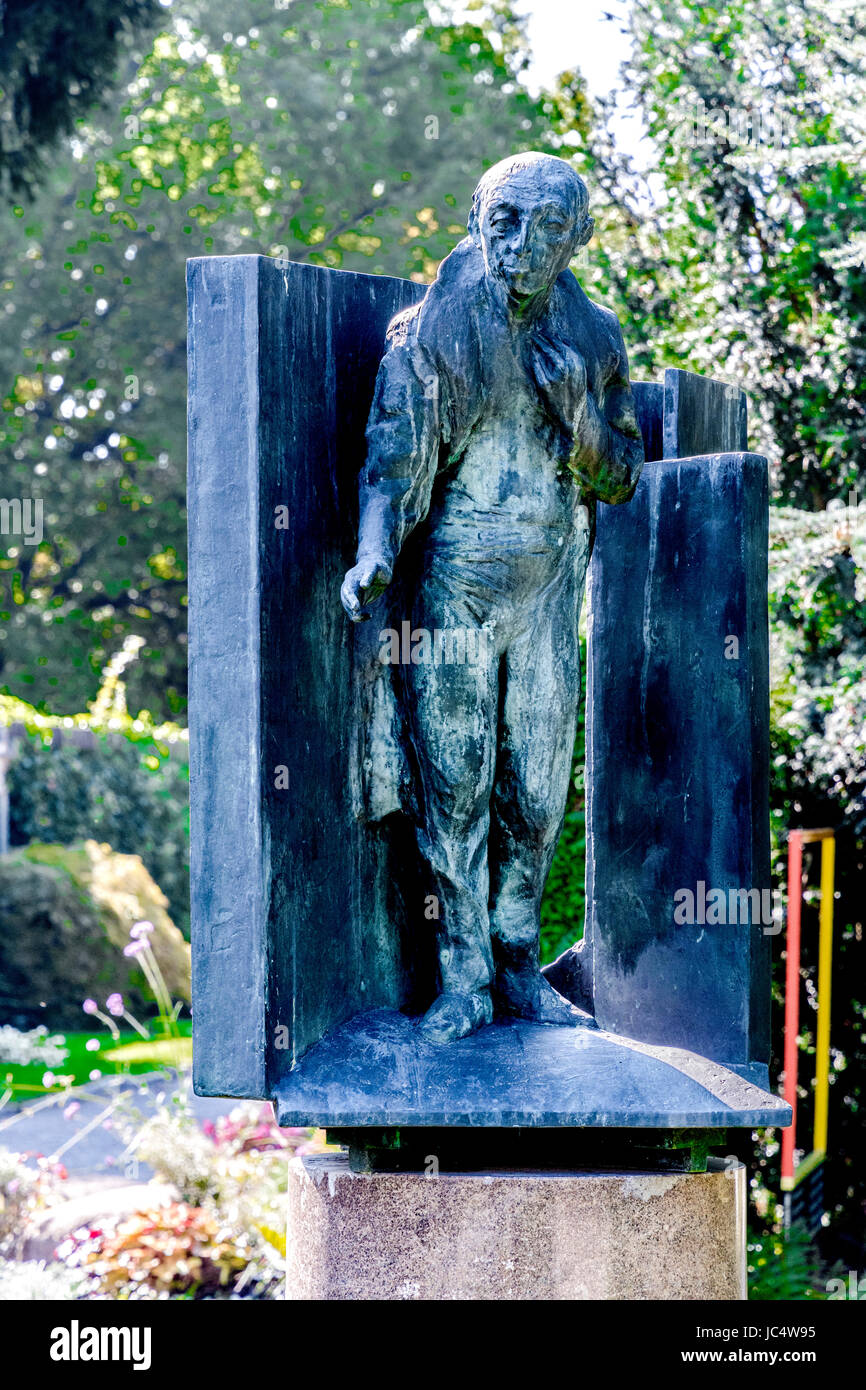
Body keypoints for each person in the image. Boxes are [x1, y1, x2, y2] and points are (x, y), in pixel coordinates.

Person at [341, 152, 644, 1044]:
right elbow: (390, 463)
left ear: (579, 240)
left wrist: (580, 419)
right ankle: (464, 976)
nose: (520, 244)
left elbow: (622, 474)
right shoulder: (427, 331)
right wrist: (372, 552)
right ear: (476, 219)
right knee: (455, 792)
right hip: (455, 592)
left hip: (548, 592)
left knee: (538, 794)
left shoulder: (594, 338)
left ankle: (519, 965)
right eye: (504, 220)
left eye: (549, 226)